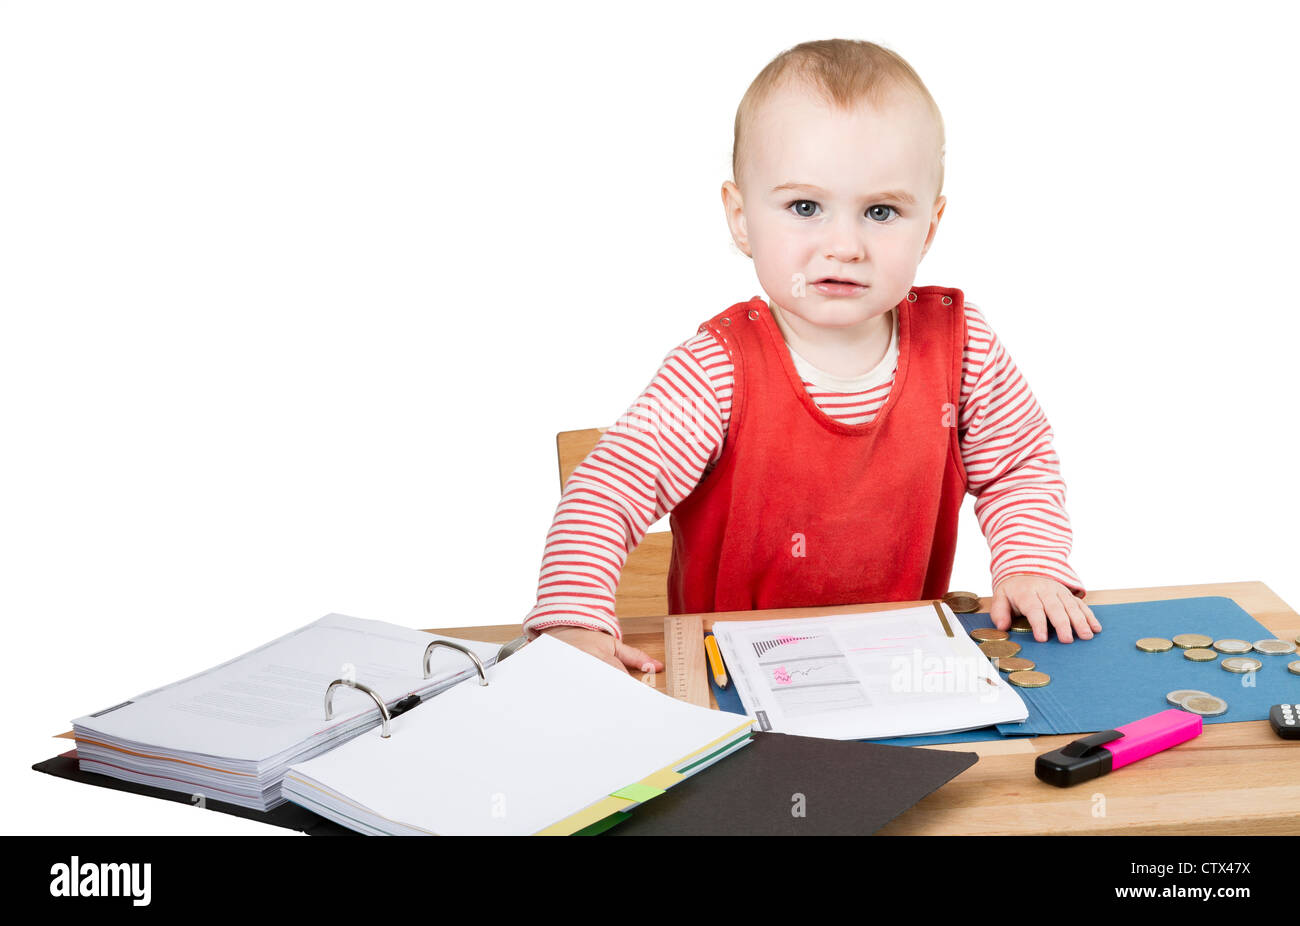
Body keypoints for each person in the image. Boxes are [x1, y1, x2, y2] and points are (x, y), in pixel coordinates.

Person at [522, 38, 1101, 675]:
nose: (844, 245)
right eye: (805, 207)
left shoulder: (961, 346)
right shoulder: (716, 371)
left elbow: (1017, 465)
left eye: (881, 211)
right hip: (734, 682)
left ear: (929, 230)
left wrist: (1030, 564)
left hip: (900, 669)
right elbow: (604, 494)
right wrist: (573, 620)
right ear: (741, 219)